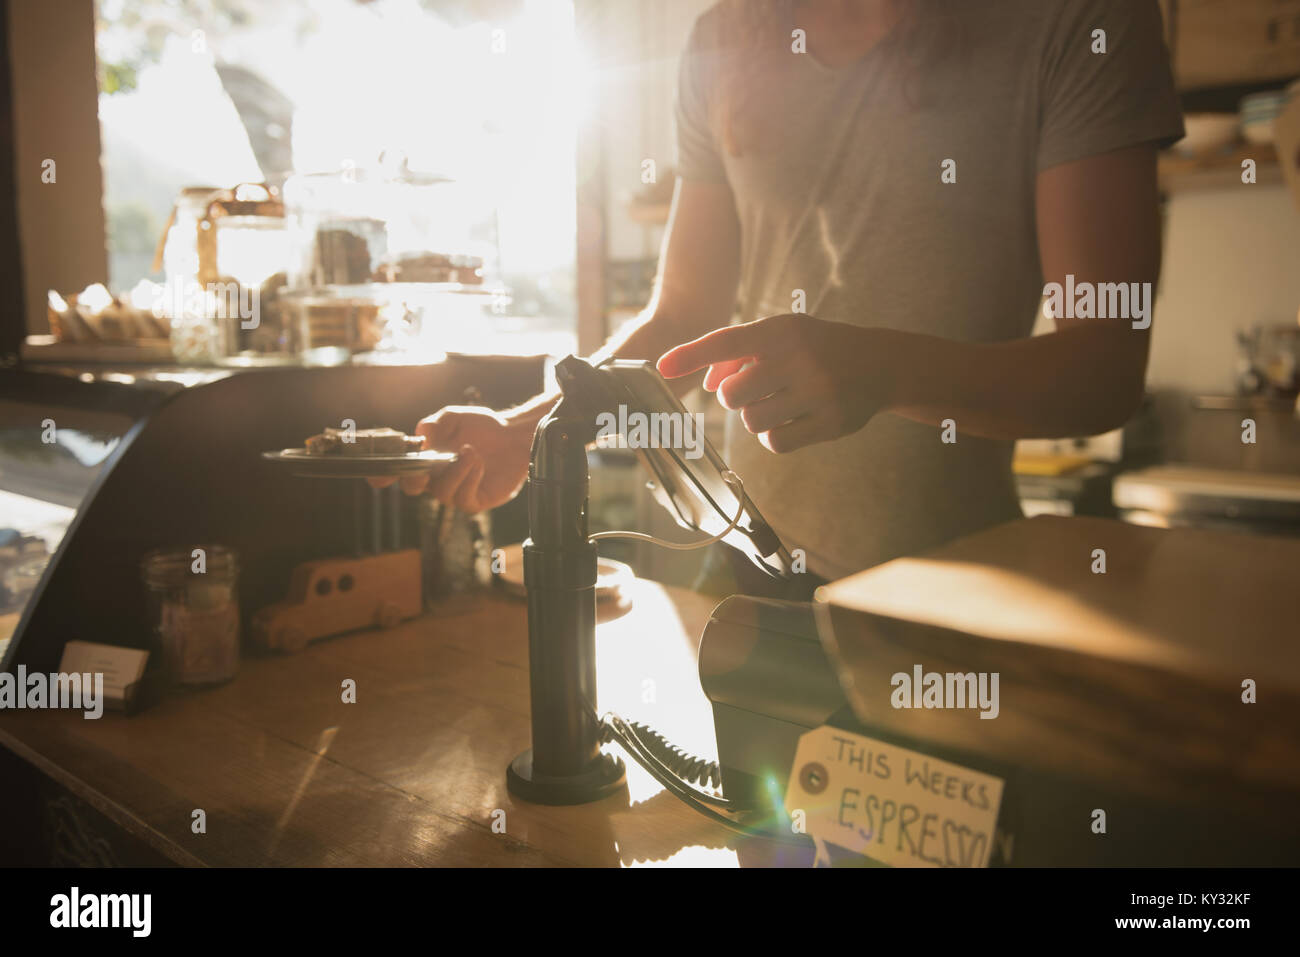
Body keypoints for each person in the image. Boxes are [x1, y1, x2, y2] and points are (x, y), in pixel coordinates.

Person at [381, 0, 1184, 599]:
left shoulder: (1078, 19)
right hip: (741, 566)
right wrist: (528, 431)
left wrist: (884, 370)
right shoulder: (727, 37)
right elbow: (684, 315)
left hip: (952, 585)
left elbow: (1105, 363)